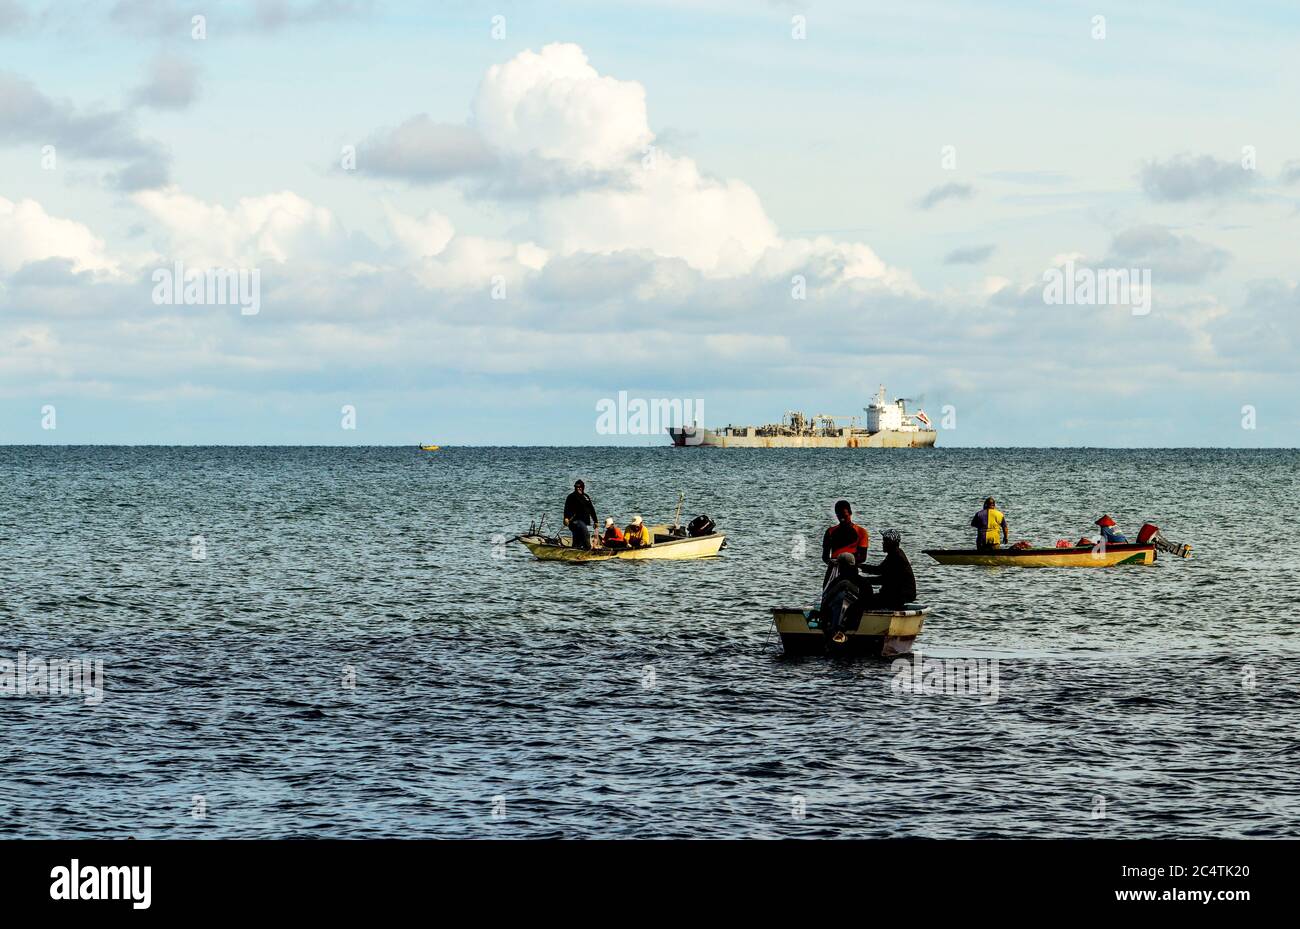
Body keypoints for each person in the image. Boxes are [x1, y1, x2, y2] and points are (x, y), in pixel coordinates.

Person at [860, 529, 916, 611]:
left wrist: (862, 580)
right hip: (898, 594)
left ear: (892, 542)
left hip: (898, 595)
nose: (883, 543)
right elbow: (880, 570)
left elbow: (884, 578)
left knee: (861, 603)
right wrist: (860, 566)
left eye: (885, 541)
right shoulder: (895, 554)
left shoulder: (896, 557)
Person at [820, 552, 866, 644]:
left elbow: (825, 602)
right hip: (856, 623)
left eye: (840, 565)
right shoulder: (863, 582)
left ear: (843, 566)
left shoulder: (835, 582)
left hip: (836, 623)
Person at [821, 500, 870, 587]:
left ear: (850, 513)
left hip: (851, 569)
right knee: (826, 591)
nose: (841, 517)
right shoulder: (830, 532)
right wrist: (832, 562)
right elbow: (825, 557)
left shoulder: (861, 532)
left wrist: (847, 562)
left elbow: (863, 557)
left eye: (844, 514)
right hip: (834, 569)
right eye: (838, 515)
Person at [564, 479, 598, 550]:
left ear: (583, 487)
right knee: (585, 534)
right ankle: (588, 549)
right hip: (575, 521)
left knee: (578, 538)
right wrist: (566, 518)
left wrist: (595, 521)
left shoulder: (586, 496)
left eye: (580, 487)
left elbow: (591, 509)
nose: (579, 488)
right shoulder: (571, 496)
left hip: (584, 522)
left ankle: (576, 551)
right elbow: (566, 508)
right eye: (577, 487)